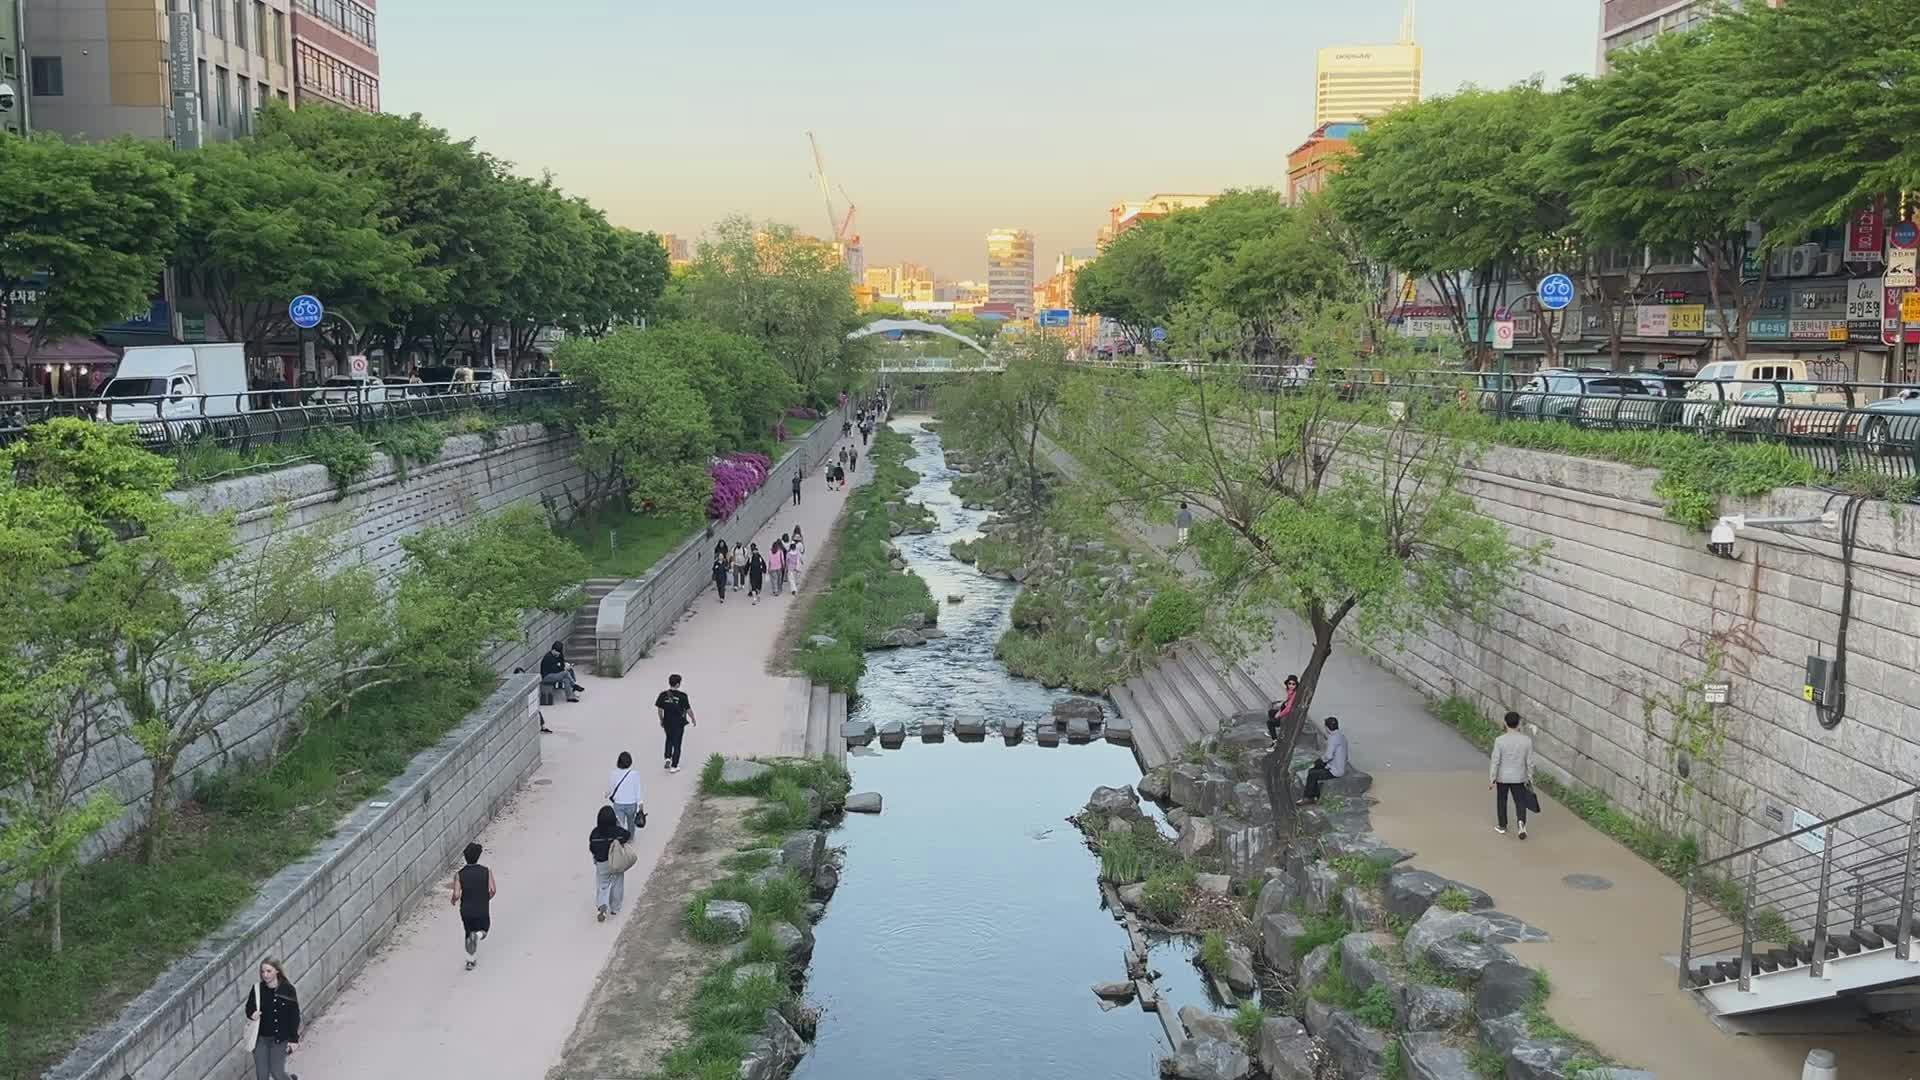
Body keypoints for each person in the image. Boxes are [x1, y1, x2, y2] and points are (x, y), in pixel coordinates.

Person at [243, 957, 300, 1080]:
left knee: (277, 1072)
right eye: (263, 972)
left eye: (269, 971)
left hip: (280, 1039)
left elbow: (294, 1016)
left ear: (277, 971)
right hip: (260, 1039)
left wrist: (294, 1039)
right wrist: (252, 1014)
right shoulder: (257, 989)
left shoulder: (288, 989)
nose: (265, 975)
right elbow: (249, 1007)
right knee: (262, 1075)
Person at [1490, 710, 1536, 838]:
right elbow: (1530, 762)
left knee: (1501, 800)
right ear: (1519, 724)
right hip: (1519, 777)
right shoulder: (1526, 740)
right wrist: (1530, 777)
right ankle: (1521, 823)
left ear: (1505, 723)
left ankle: (1502, 826)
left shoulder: (1499, 740)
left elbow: (1495, 760)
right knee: (1520, 801)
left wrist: (1492, 778)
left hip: (1502, 777)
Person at [451, 842, 496, 971]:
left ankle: (470, 961)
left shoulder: (459, 874)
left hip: (466, 909)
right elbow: (492, 890)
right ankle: (477, 936)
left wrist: (453, 900)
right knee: (484, 930)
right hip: (481, 908)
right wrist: (485, 899)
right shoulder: (486, 871)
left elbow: (457, 894)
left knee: (468, 933)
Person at [589, 805, 632, 921]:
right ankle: (615, 908)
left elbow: (592, 848)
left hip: (602, 863)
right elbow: (628, 835)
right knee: (617, 883)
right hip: (616, 861)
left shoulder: (595, 833)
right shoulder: (617, 831)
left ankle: (602, 905)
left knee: (602, 884)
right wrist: (618, 824)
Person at [1299, 717, 1348, 804]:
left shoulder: (1332, 739)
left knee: (1312, 773)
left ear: (1327, 728)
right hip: (1339, 766)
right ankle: (1316, 796)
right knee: (1315, 770)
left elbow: (1328, 756)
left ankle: (1308, 797)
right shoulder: (1341, 736)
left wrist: (1318, 761)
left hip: (1335, 771)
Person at [655, 673, 696, 772]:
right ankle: (674, 766)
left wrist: (661, 720)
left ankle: (667, 757)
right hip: (679, 723)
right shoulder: (682, 696)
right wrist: (693, 718)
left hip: (667, 722)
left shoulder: (663, 695)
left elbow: (660, 709)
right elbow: (688, 709)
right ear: (678, 684)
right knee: (677, 743)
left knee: (669, 739)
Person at [608, 751, 643, 832]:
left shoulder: (614, 773)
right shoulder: (635, 774)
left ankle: (621, 840)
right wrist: (640, 803)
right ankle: (630, 839)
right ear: (630, 762)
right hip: (631, 804)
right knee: (631, 823)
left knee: (620, 825)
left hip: (618, 803)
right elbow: (638, 790)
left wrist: (608, 793)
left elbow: (611, 787)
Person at [1266, 675, 1299, 741]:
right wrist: (1279, 711)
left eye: (1293, 684)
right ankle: (1272, 729)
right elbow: (1285, 705)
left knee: (1269, 722)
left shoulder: (1294, 694)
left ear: (1296, 685)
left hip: (1287, 717)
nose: (1291, 685)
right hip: (1285, 713)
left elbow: (1288, 708)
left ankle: (1274, 740)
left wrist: (1279, 715)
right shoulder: (1290, 692)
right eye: (1289, 683)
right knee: (1271, 712)